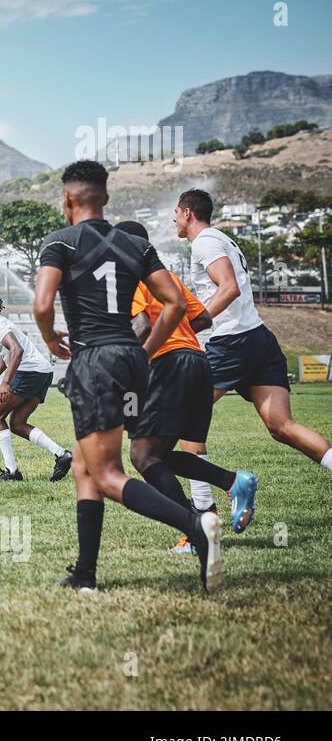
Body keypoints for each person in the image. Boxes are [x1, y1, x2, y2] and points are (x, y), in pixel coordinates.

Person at [34, 161, 223, 594]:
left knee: (106, 473)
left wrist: (49, 341)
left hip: (94, 360)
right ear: (105, 198)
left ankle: (196, 525)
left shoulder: (60, 242)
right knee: (85, 466)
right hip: (133, 362)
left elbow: (43, 305)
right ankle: (85, 573)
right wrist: (145, 350)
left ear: (67, 199)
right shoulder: (134, 244)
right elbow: (175, 303)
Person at [114, 220, 258, 557]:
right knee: (158, 455)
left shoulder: (131, 276)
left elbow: (139, 326)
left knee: (142, 455)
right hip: (196, 362)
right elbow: (204, 319)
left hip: (168, 365)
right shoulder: (168, 278)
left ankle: (195, 530)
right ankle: (232, 482)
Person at [173, 189, 332, 485]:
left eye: (176, 215)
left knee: (185, 419)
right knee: (281, 426)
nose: (174, 221)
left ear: (188, 213)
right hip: (257, 338)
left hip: (233, 341)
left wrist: (192, 325)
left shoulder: (205, 241)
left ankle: (204, 514)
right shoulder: (222, 239)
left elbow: (229, 287)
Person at [0, 290, 72, 483]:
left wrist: (5, 383)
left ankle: (12, 472)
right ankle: (62, 454)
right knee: (17, 424)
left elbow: (16, 350)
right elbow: (7, 352)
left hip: (29, 372)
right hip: (42, 371)